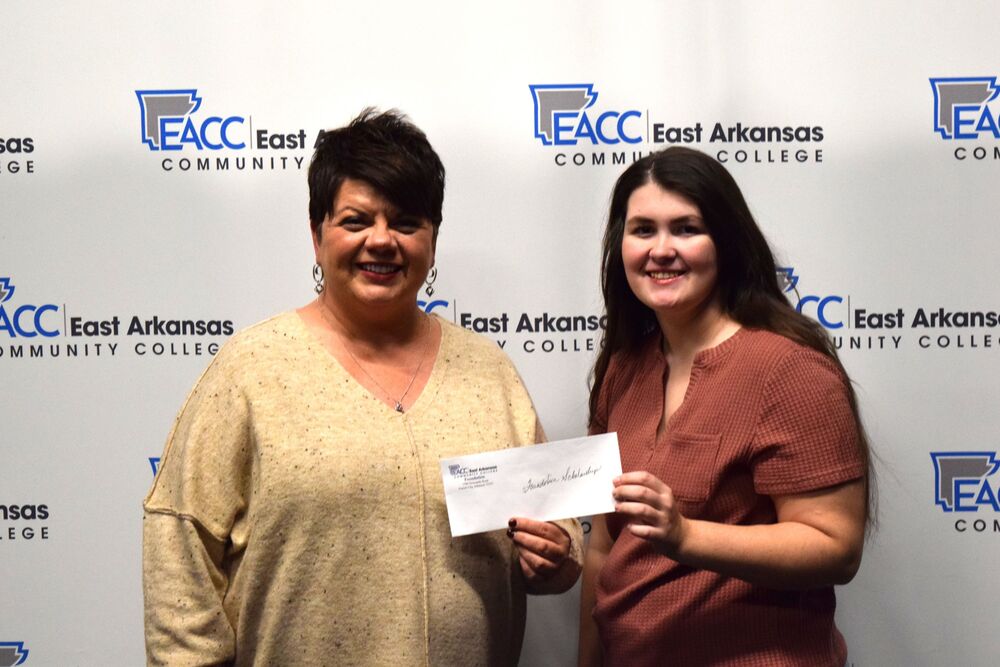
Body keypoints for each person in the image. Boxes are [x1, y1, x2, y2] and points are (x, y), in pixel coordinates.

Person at [143, 108, 582, 666]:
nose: (381, 241)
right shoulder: (249, 370)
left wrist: (557, 555)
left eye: (405, 222)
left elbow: (558, 527)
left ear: (432, 240)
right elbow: (179, 548)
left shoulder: (489, 372)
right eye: (356, 221)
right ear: (317, 236)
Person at [578, 147, 874, 667]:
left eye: (686, 229)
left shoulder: (790, 368)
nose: (661, 250)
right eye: (643, 230)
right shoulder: (623, 368)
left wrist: (686, 535)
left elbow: (835, 547)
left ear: (725, 242)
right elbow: (604, 546)